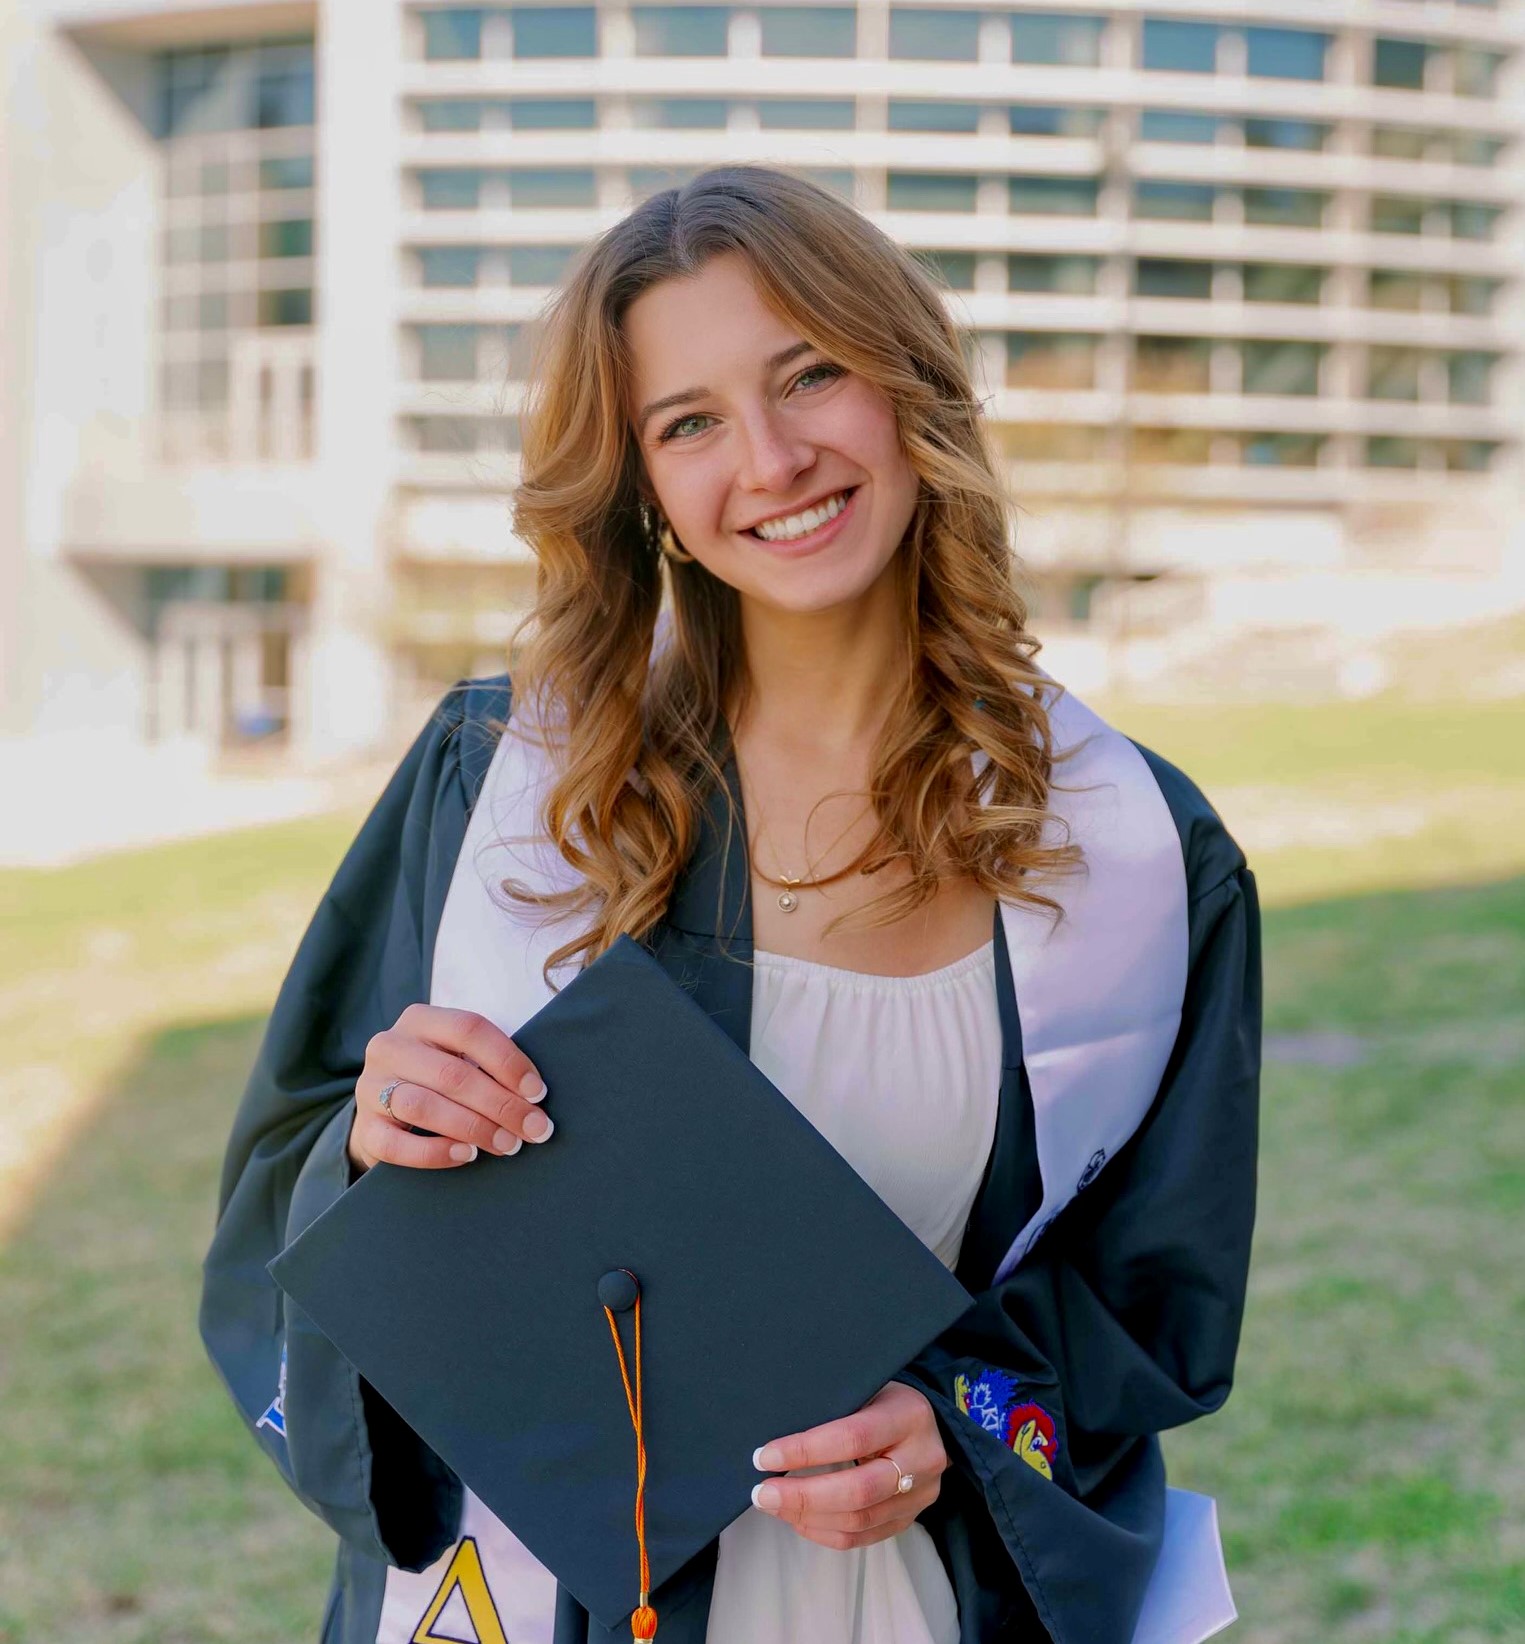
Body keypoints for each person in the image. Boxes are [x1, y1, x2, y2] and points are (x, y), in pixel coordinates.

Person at [200, 164, 1261, 1644]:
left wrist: (949, 1420)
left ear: (908, 384)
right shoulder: (498, 783)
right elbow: (281, 1204)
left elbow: (1147, 1308)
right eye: (687, 422)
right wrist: (382, 1142)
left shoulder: (1132, 847)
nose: (770, 459)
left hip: (899, 1599)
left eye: (811, 374)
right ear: (641, 485)